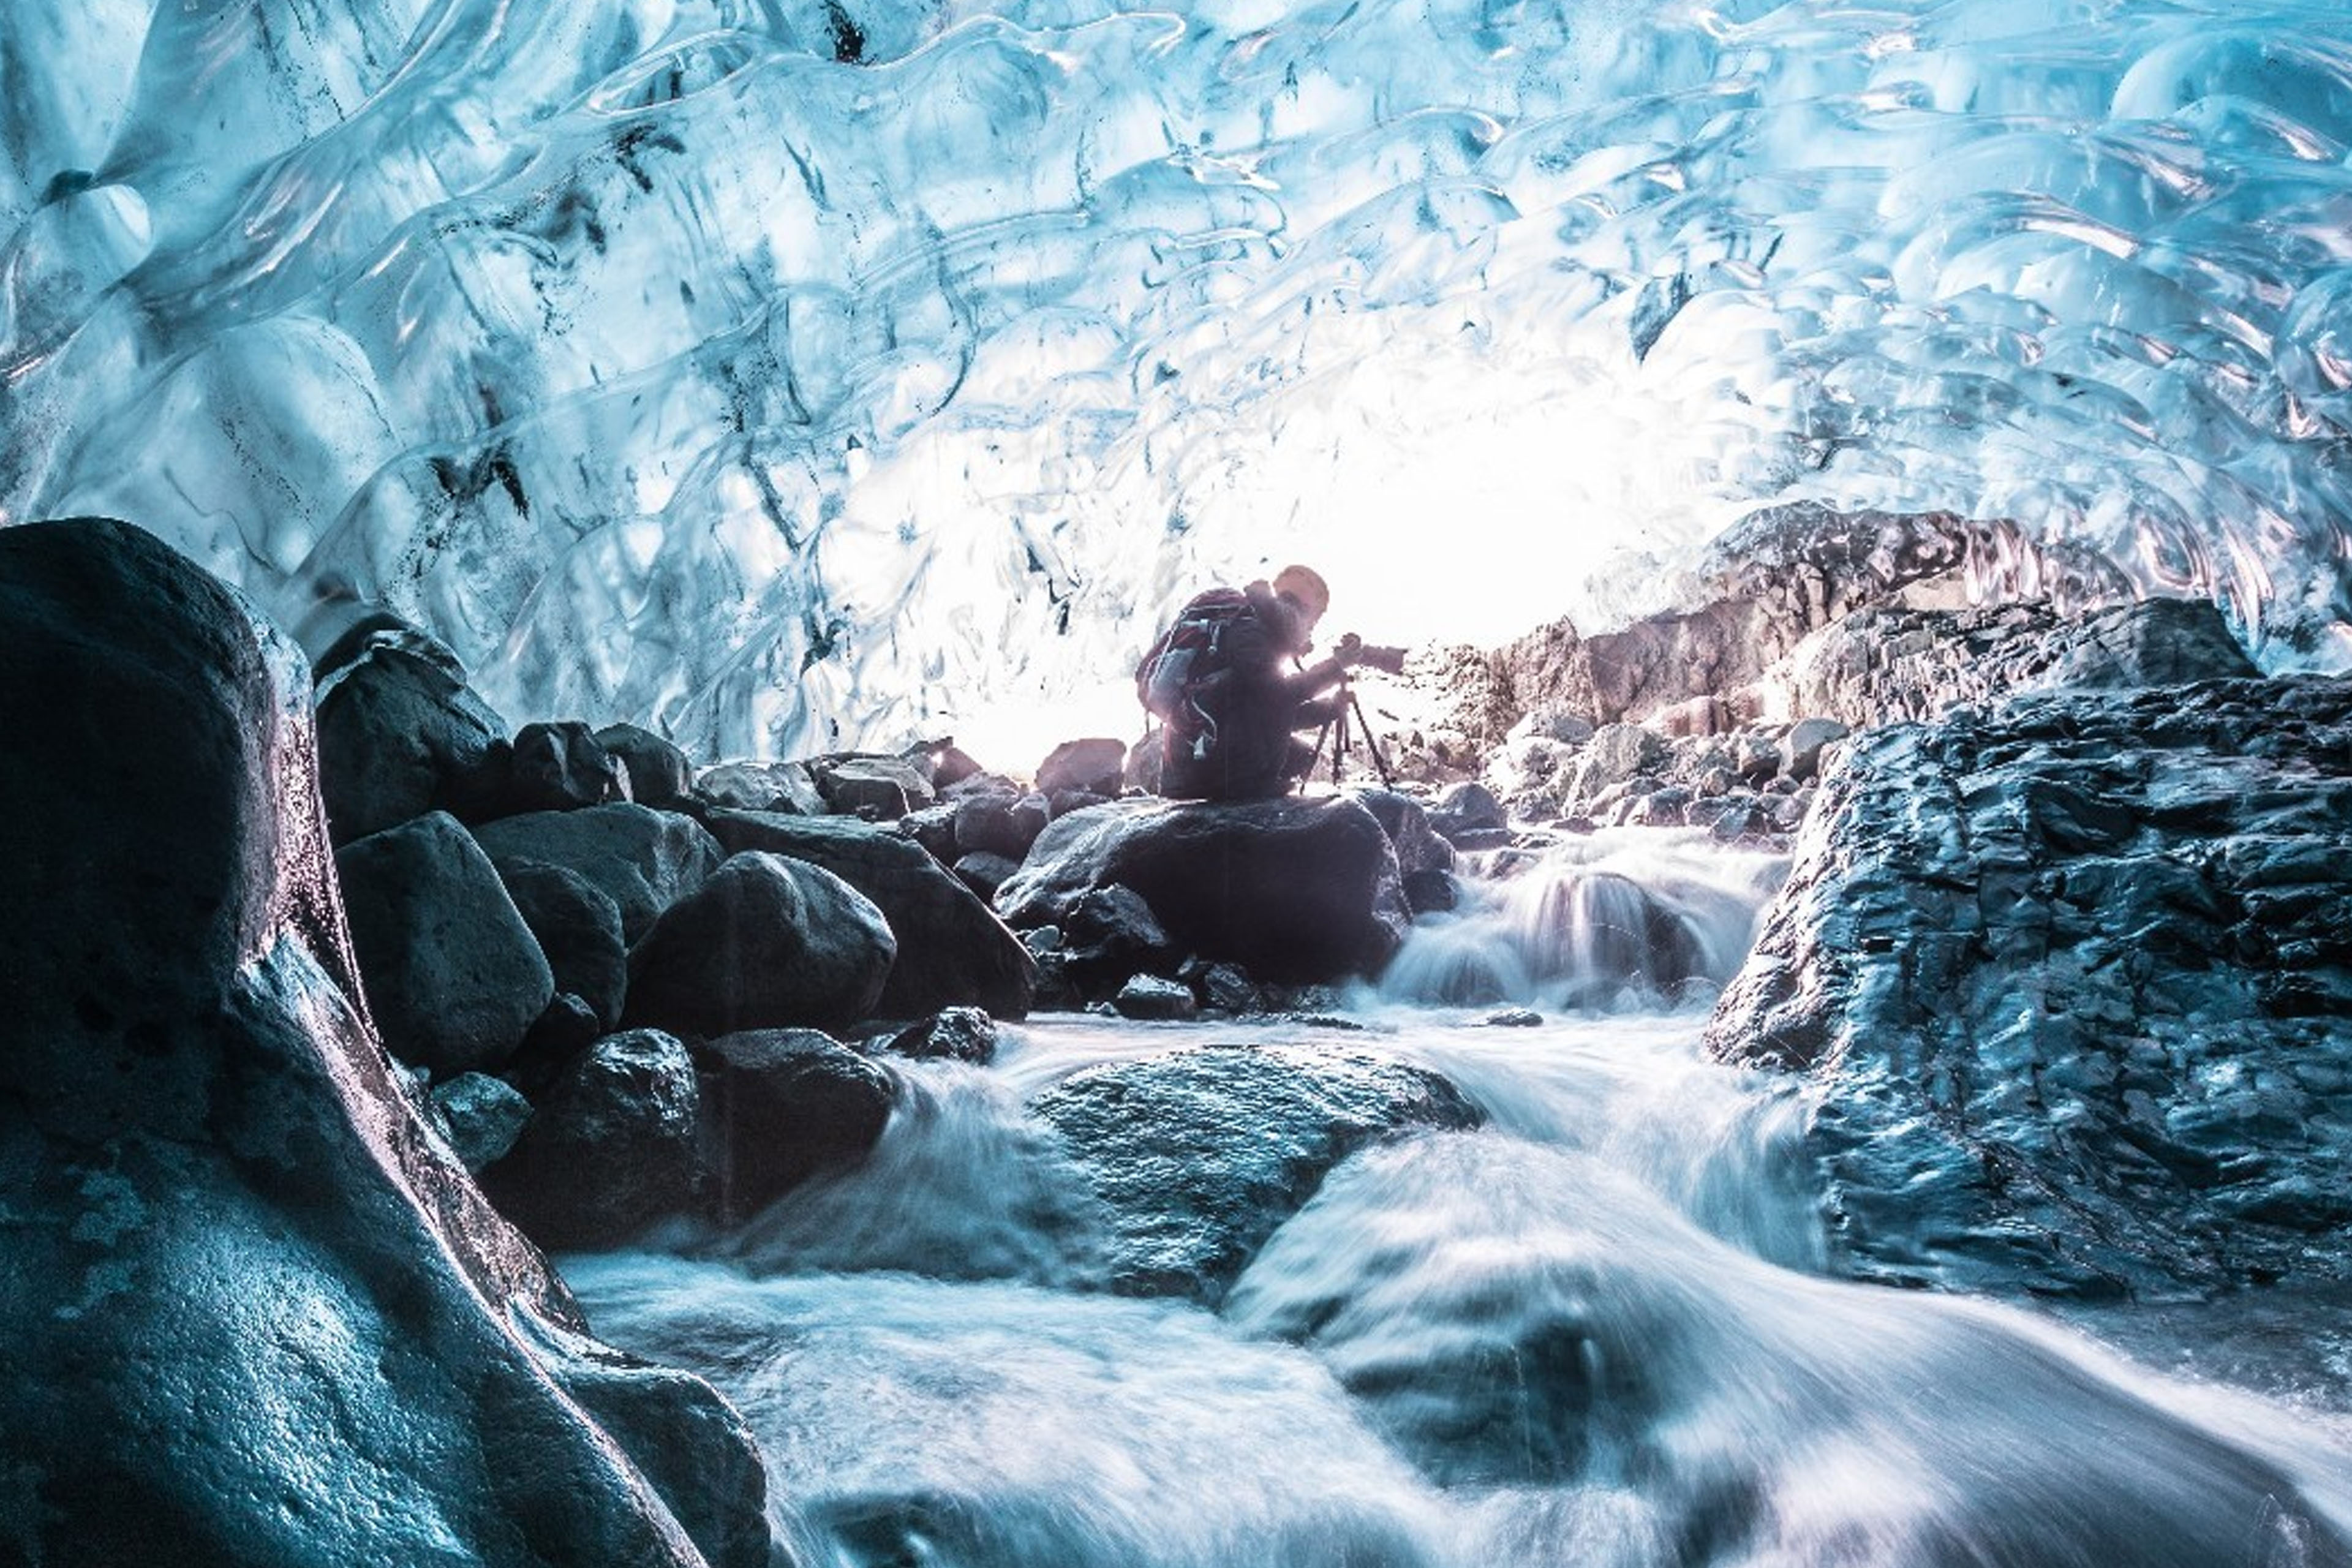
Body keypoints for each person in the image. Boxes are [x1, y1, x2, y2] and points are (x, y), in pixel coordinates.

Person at [1136, 563, 1365, 801]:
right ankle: (1250, 789)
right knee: (1297, 757)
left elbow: (1262, 712)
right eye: (1313, 621)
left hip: (1199, 762)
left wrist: (1330, 709)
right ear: (1302, 609)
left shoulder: (1249, 626)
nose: (1310, 630)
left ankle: (1247, 786)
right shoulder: (1249, 629)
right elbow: (1277, 698)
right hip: (1208, 777)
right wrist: (1334, 667)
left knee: (1300, 756)